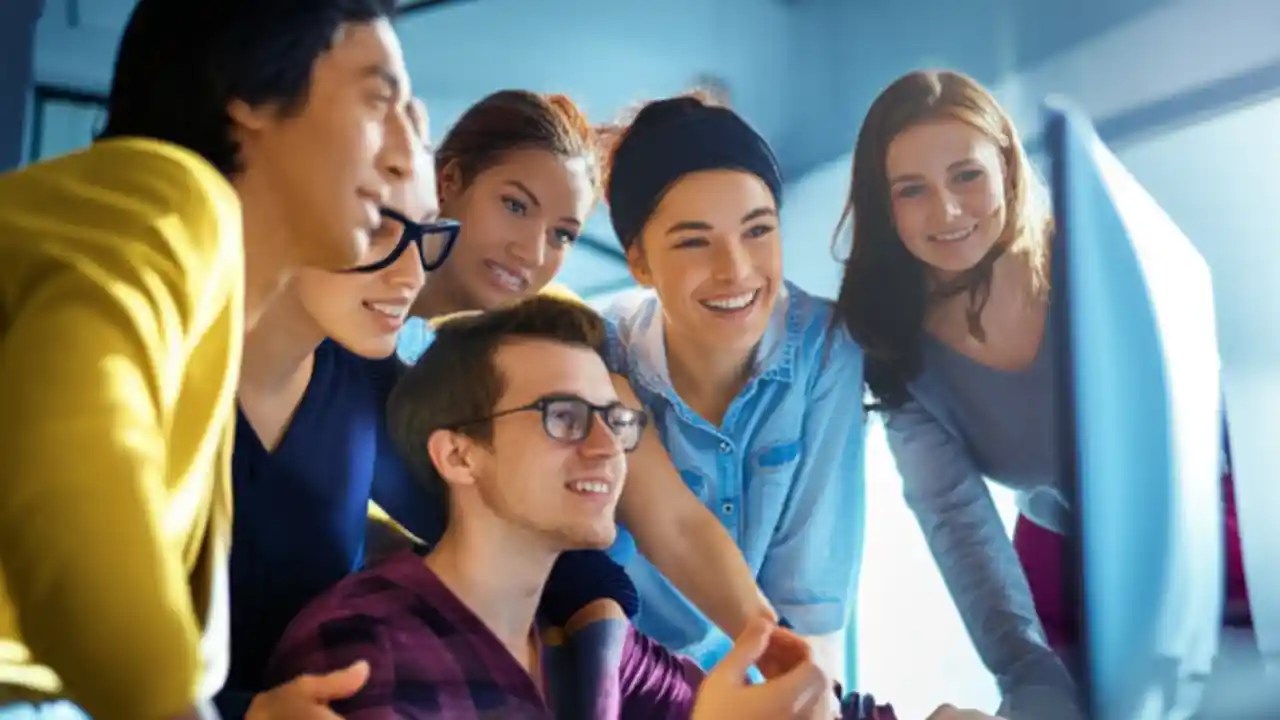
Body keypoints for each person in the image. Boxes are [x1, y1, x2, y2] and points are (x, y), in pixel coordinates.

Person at [0, 0, 412, 716]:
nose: (403, 152)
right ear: (249, 97)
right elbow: (74, 465)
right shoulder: (168, 195)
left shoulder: (206, 308)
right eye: (378, 100)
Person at [832, 69, 1251, 717]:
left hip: (1225, 524)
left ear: (1007, 165)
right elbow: (954, 518)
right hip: (1066, 582)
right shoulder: (899, 350)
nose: (946, 210)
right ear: (885, 208)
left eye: (966, 175)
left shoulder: (1094, 252)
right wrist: (1029, 677)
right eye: (911, 190)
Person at [268, 296, 889, 719]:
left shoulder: (594, 646)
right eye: (562, 417)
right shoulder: (361, 650)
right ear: (459, 456)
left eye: (615, 422)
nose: (606, 450)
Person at [384, 90, 795, 674]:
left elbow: (672, 520)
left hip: (587, 651)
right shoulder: (353, 314)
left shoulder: (561, 333)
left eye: (563, 235)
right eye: (515, 206)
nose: (531, 251)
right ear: (448, 180)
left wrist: (772, 646)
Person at [598, 95, 866, 679]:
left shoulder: (825, 352)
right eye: (694, 241)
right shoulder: (597, 358)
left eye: (758, 230)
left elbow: (811, 611)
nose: (736, 269)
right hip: (633, 684)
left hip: (772, 683)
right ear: (639, 262)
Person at [215, 99, 452, 718]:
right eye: (378, 226)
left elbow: (493, 522)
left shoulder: (366, 387)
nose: (412, 275)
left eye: (426, 234)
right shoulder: (144, 380)